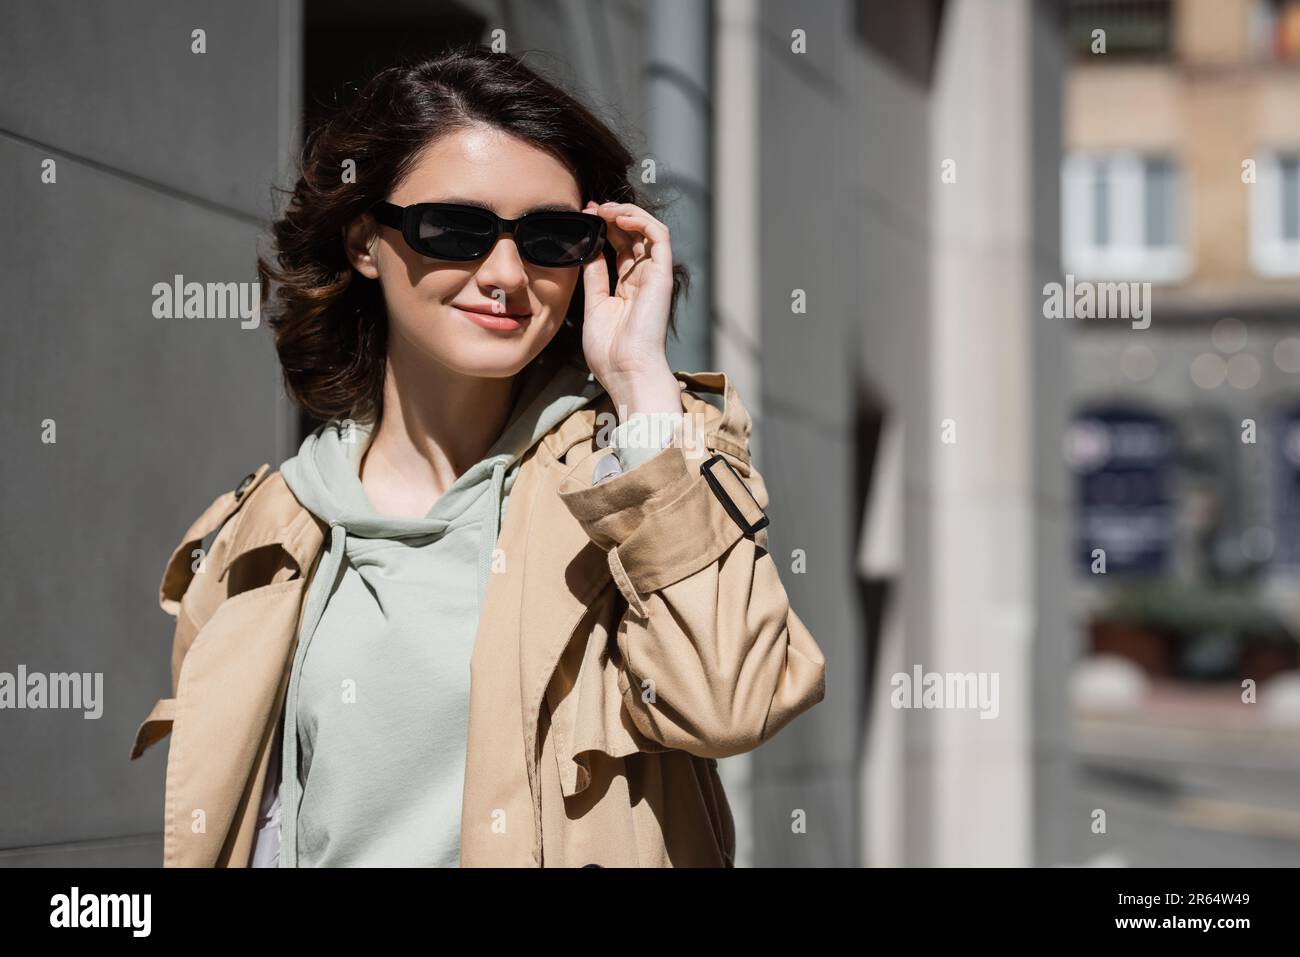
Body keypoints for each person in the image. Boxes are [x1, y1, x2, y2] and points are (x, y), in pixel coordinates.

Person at [132, 45, 825, 868]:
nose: (505, 274)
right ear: (364, 242)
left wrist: (639, 380)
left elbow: (727, 702)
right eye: (456, 229)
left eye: (550, 237)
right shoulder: (264, 536)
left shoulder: (639, 466)